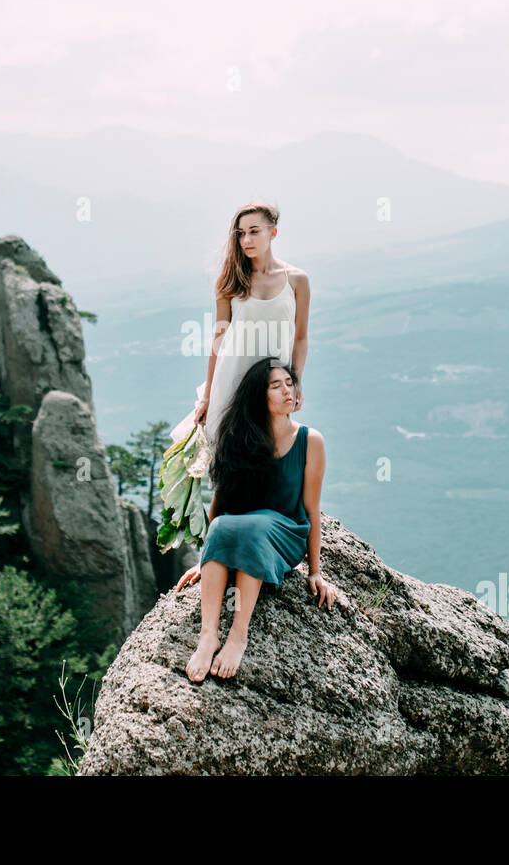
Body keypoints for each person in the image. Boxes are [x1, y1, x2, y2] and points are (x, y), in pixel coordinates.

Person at [176, 358, 339, 681]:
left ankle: (238, 634)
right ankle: (208, 635)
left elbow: (311, 509)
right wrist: (208, 557)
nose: (286, 391)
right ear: (258, 396)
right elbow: (222, 500)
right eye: (275, 386)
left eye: (289, 383)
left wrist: (316, 571)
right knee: (224, 526)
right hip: (246, 528)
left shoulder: (310, 441)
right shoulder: (240, 437)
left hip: (286, 533)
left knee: (253, 527)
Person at [179, 203, 311, 451]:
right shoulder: (230, 281)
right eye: (240, 233)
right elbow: (218, 341)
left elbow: (301, 337)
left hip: (273, 387)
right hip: (232, 382)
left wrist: (295, 382)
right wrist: (207, 395)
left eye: (254, 231)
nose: (246, 239)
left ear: (272, 233)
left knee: (268, 461)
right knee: (228, 469)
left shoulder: (297, 280)